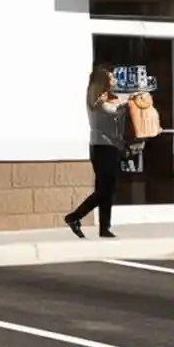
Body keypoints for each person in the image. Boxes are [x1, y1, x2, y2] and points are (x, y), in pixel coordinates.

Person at [64, 65, 126, 239]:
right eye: (111, 78)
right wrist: (128, 102)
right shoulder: (100, 102)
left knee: (105, 189)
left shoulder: (97, 98)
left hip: (102, 147)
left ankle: (104, 227)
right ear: (103, 81)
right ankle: (74, 216)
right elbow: (114, 111)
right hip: (105, 148)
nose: (115, 80)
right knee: (105, 190)